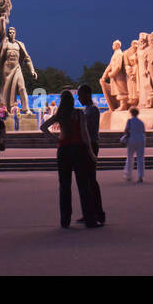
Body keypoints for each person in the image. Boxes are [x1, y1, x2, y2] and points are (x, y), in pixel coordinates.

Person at [40, 90, 101, 228]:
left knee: (64, 186)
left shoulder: (60, 115)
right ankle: (90, 219)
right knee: (83, 185)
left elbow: (43, 127)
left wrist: (57, 140)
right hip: (78, 149)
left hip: (63, 150)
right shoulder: (79, 113)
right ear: (72, 101)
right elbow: (85, 134)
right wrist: (91, 153)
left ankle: (65, 220)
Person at [76, 85, 106, 225]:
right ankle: (89, 212)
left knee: (91, 180)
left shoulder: (93, 110)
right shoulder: (87, 110)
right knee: (87, 181)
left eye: (80, 95)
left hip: (91, 145)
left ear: (87, 95)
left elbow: (87, 129)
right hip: (86, 145)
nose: (79, 98)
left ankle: (98, 213)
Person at [120, 107, 146, 182]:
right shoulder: (141, 122)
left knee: (130, 158)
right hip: (141, 140)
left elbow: (126, 131)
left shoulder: (130, 121)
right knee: (140, 158)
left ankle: (128, 175)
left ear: (131, 113)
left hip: (132, 140)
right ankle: (140, 176)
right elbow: (143, 132)